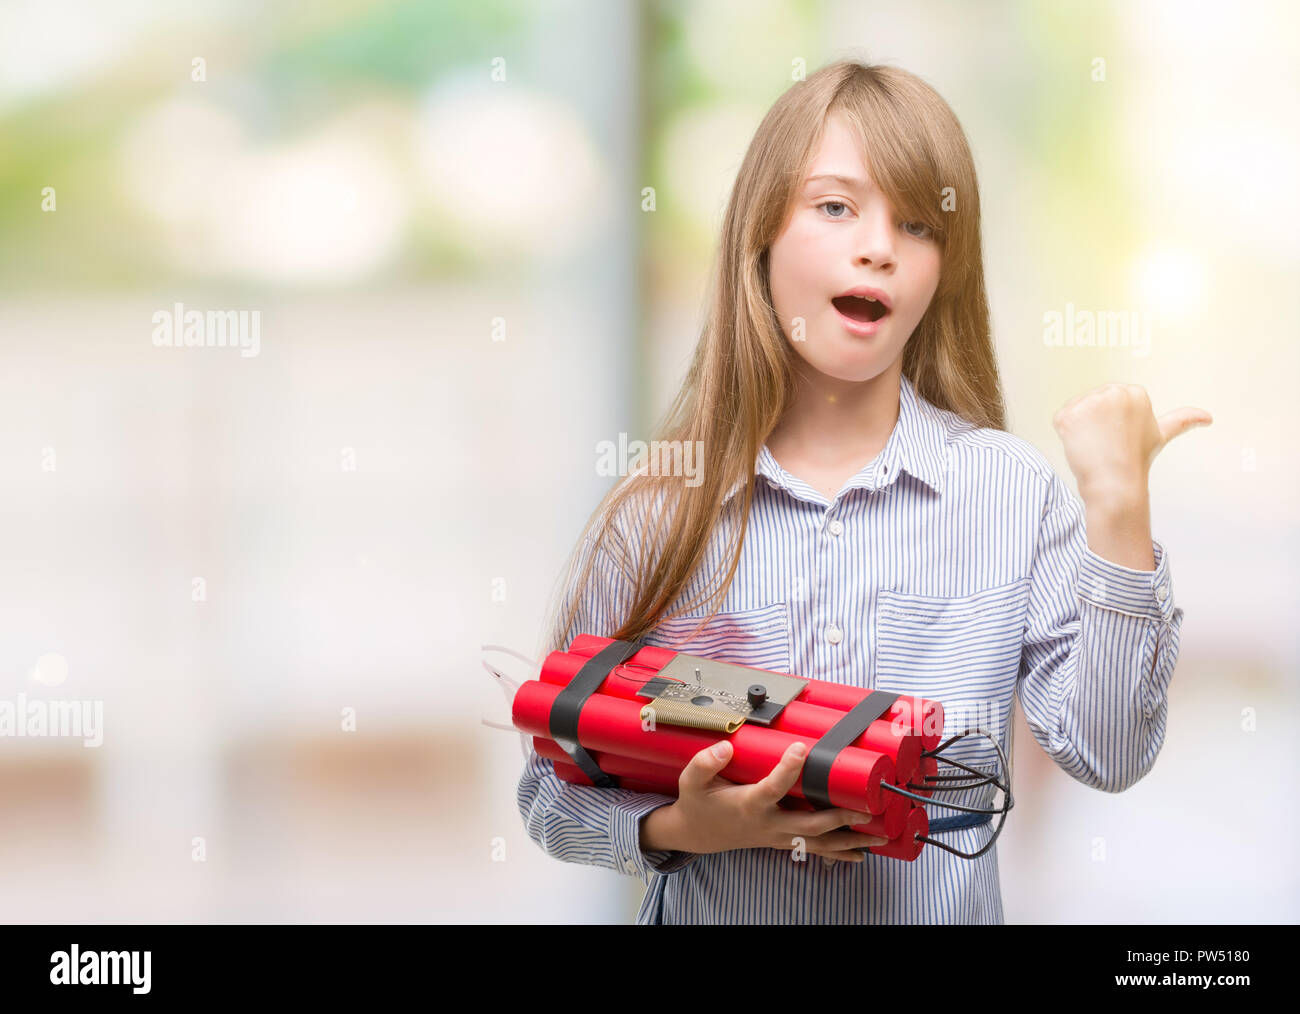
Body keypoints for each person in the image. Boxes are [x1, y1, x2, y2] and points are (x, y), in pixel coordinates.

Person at [515, 59, 1211, 924]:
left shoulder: (1009, 492)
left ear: (942, 270)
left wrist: (1118, 505)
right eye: (835, 206)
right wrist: (684, 827)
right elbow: (551, 798)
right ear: (761, 234)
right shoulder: (661, 516)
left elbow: (1110, 750)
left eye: (917, 223)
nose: (878, 244)